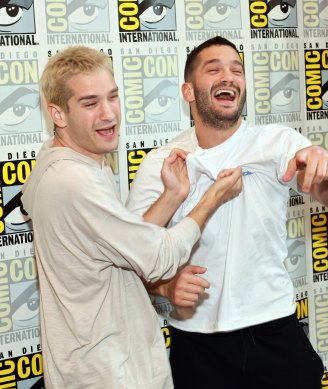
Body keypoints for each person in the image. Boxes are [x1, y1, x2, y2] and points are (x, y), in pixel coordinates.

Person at [126, 36, 328, 389]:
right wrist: (164, 285)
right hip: (197, 345)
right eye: (214, 70)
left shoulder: (278, 143)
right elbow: (131, 255)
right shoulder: (162, 162)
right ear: (188, 92)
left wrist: (327, 166)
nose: (228, 77)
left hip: (274, 332)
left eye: (236, 70)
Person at [21, 46, 243, 389]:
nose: (109, 114)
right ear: (58, 114)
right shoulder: (72, 182)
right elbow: (158, 259)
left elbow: (125, 248)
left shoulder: (70, 162)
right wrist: (213, 197)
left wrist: (172, 196)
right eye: (90, 103)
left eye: (113, 97)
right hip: (108, 373)